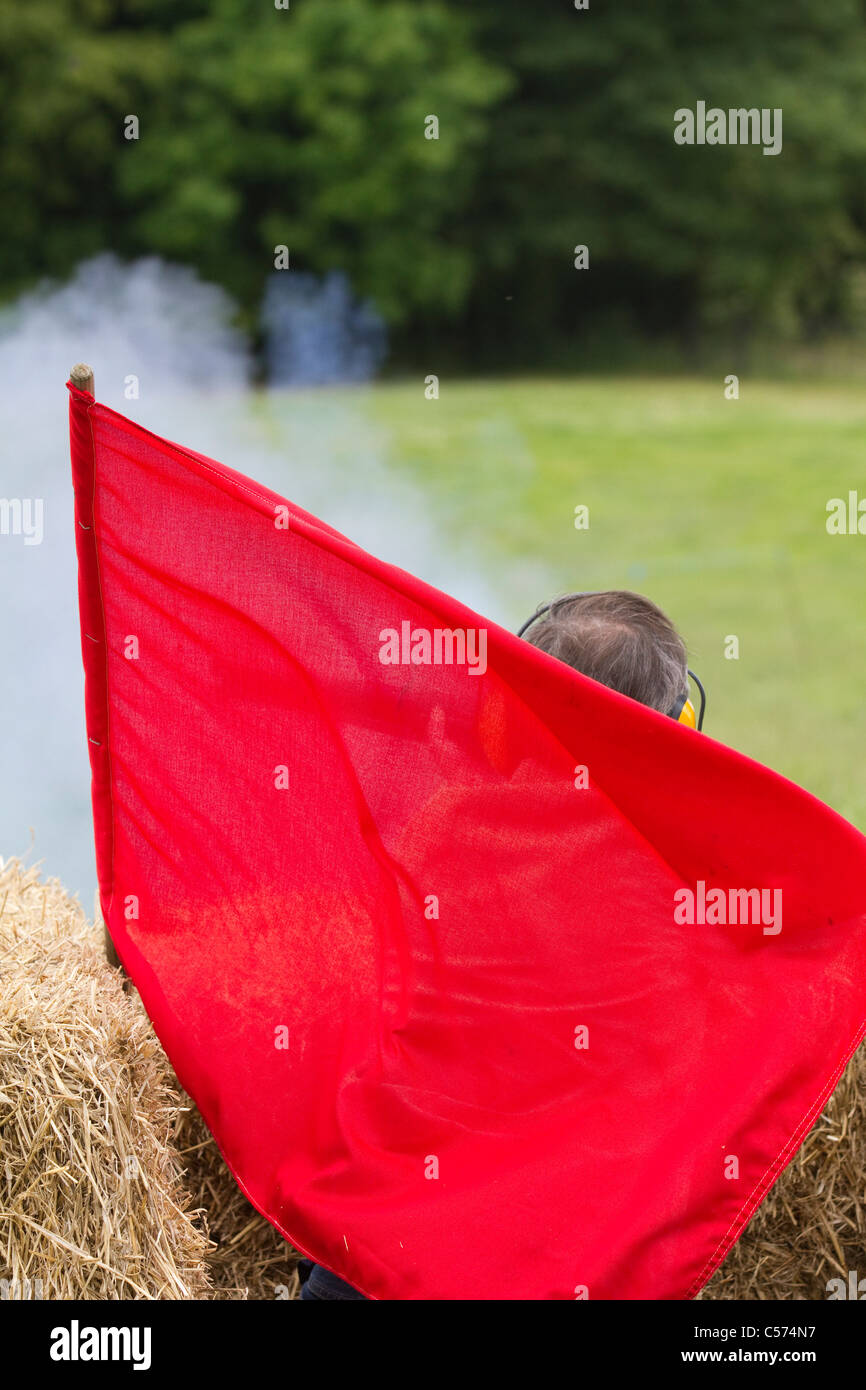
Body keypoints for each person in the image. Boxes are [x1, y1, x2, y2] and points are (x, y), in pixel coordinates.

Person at [299, 588, 699, 1300]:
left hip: (376, 1251)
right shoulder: (672, 893)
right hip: (550, 1266)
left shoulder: (438, 830)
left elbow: (356, 1016)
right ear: (667, 736)